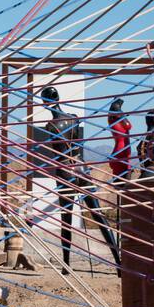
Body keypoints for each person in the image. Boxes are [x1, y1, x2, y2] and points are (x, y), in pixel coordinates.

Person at [34, 87, 120, 269]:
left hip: (65, 170)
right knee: (97, 214)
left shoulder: (52, 126)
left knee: (66, 217)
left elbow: (56, 154)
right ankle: (118, 261)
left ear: (46, 102)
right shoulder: (74, 117)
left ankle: (66, 264)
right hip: (81, 166)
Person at [108, 98, 132, 182]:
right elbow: (128, 125)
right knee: (124, 179)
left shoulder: (113, 119)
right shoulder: (118, 117)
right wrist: (123, 115)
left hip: (122, 148)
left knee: (123, 179)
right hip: (121, 149)